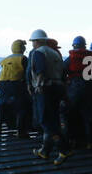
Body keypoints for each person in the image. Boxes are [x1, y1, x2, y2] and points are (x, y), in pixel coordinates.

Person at [27, 29, 67, 164]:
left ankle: (64, 149)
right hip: (58, 87)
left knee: (45, 121)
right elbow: (63, 72)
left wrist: (37, 86)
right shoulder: (54, 52)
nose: (33, 45)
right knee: (54, 119)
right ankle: (45, 151)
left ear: (36, 41)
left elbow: (40, 71)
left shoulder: (38, 52)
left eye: (33, 42)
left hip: (45, 89)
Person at [63, 36, 92, 150]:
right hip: (89, 89)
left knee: (70, 115)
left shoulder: (71, 58)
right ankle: (91, 142)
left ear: (74, 46)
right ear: (84, 45)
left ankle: (72, 140)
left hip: (74, 90)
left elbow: (62, 72)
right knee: (89, 117)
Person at [0, 39, 31, 138]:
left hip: (3, 84)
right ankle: (20, 131)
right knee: (20, 108)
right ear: (22, 48)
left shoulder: (6, 59)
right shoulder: (23, 58)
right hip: (17, 84)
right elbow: (27, 73)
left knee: (1, 106)